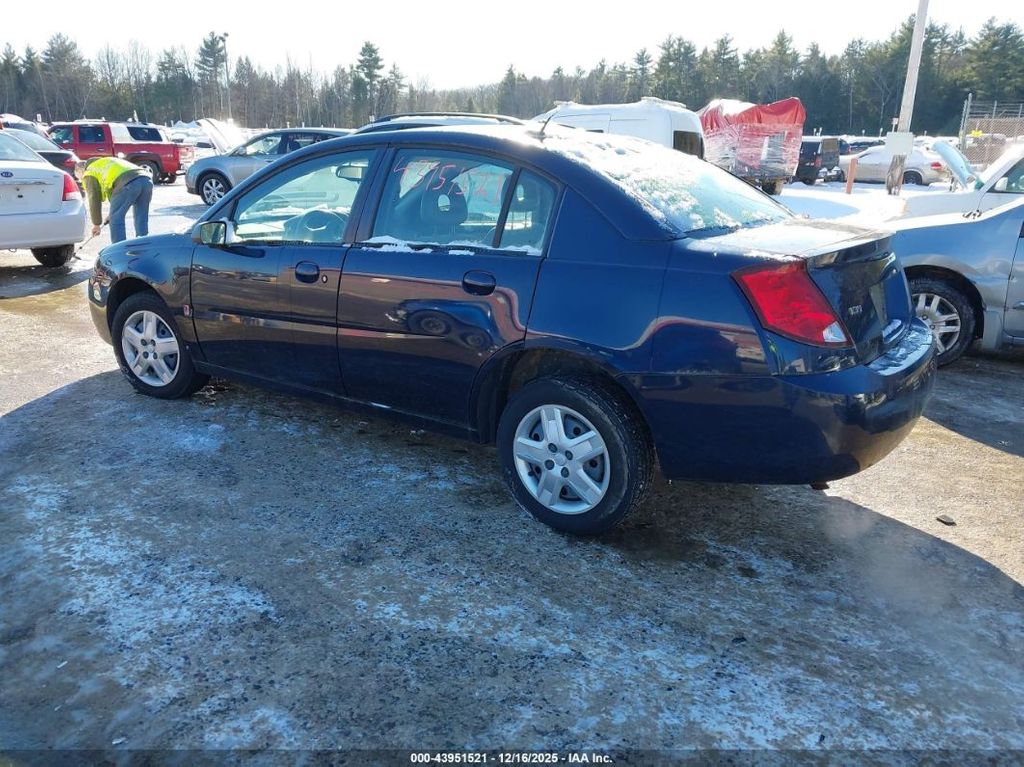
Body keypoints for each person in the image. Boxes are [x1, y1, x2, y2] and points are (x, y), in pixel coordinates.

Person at [81, 157, 154, 243]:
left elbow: (94, 198)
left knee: (116, 219)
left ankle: (120, 251)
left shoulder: (90, 172)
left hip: (128, 182)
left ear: (81, 171)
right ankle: (144, 246)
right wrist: (110, 213)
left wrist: (96, 224)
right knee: (141, 216)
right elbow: (113, 190)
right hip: (146, 180)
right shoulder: (106, 163)